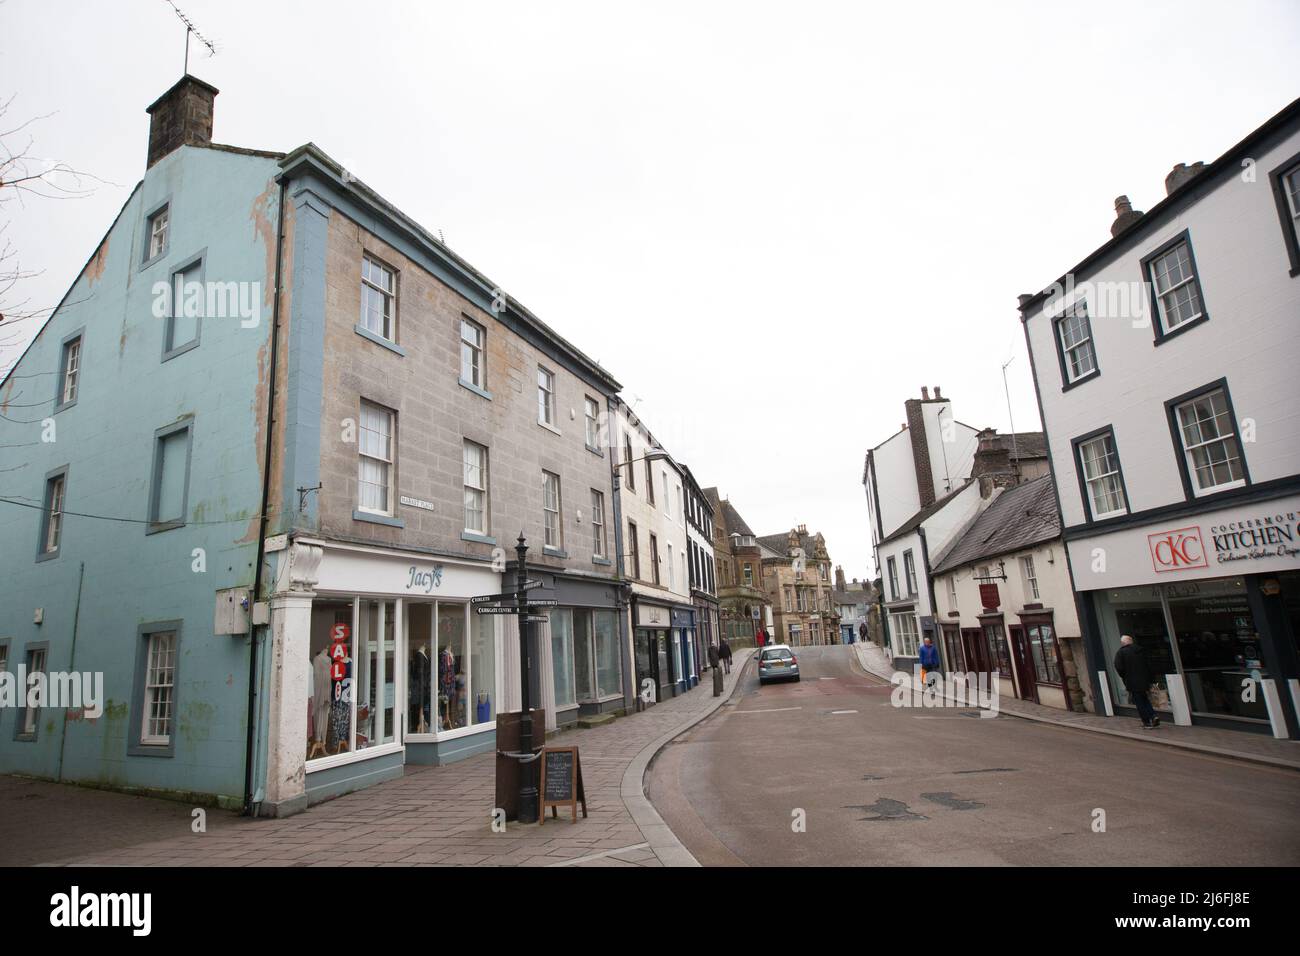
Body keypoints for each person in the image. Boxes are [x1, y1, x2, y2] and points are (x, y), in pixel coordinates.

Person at [1113, 635, 1160, 729]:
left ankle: (1146, 722)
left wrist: (1125, 677)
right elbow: (1149, 665)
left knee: (1139, 702)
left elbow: (1119, 667)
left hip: (1132, 682)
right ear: (1131, 641)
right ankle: (1153, 715)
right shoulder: (1141, 650)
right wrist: (1151, 679)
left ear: (1123, 643)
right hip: (1144, 681)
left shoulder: (1121, 653)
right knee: (1145, 699)